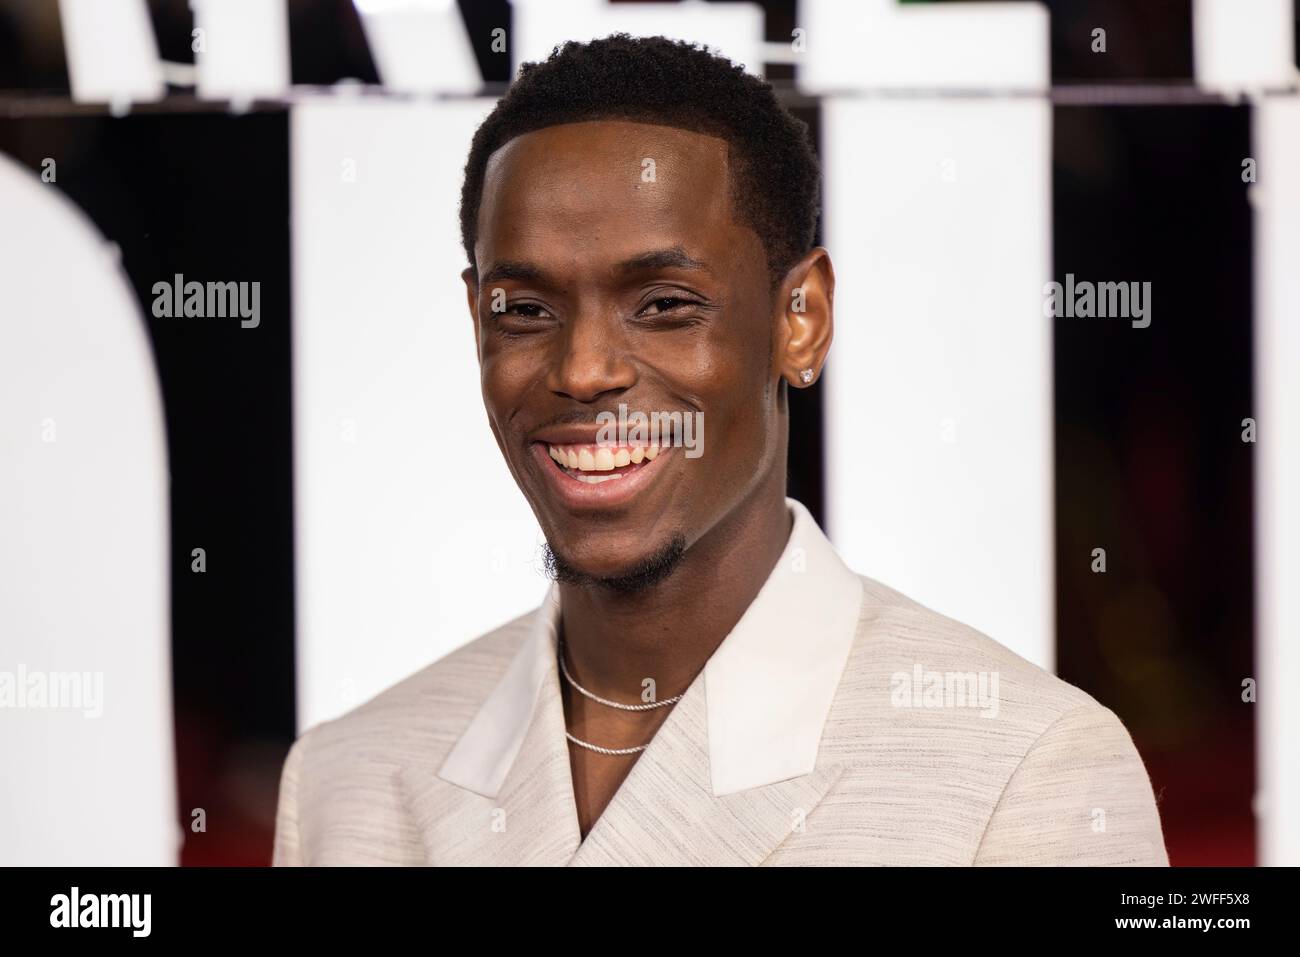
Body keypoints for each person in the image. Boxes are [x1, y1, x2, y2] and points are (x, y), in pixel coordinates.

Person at [272, 34, 1168, 866]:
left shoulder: (1028, 774)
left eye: (664, 304)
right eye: (527, 310)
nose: (582, 371)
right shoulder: (346, 783)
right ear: (477, 321)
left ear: (801, 319)